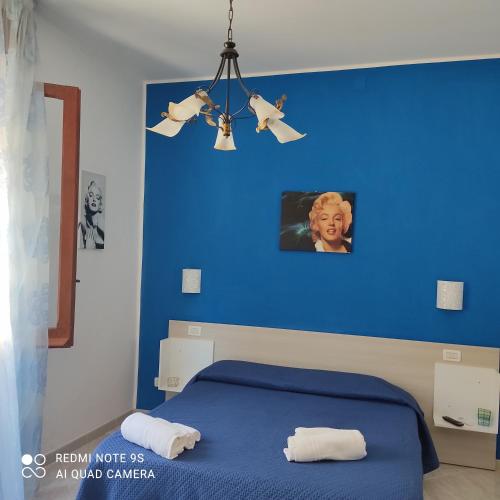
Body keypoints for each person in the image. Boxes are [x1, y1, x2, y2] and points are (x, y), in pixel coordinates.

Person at [79, 180, 105, 249]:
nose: (94, 199)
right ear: (87, 200)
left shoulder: (102, 224)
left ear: (100, 203)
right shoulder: (82, 223)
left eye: (97, 197)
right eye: (91, 195)